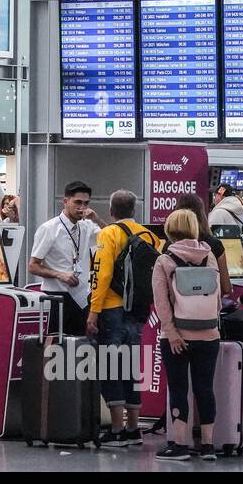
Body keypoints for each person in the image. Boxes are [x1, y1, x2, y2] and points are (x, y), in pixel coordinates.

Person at [87, 189, 161, 448]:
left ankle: (117, 429)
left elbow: (102, 275)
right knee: (130, 367)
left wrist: (94, 310)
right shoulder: (149, 236)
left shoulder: (107, 234)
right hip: (138, 310)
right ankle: (133, 428)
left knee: (111, 366)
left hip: (112, 308)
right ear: (134, 210)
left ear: (111, 211)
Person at [152, 208, 222, 462]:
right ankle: (208, 445)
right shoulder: (209, 256)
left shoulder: (164, 260)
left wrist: (171, 332)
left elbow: (161, 303)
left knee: (179, 388)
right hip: (209, 334)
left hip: (176, 337)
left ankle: (179, 444)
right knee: (205, 388)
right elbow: (217, 298)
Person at [28, 181, 101, 336]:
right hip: (56, 295)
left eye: (86, 203)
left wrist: (97, 219)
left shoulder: (87, 226)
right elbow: (33, 266)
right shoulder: (49, 229)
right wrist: (59, 274)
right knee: (56, 344)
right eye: (78, 202)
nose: (82, 207)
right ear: (66, 201)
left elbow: (110, 237)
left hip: (81, 296)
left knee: (79, 343)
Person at [177, 193, 234, 302]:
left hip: (179, 307)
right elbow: (226, 287)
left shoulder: (171, 246)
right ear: (201, 214)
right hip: (208, 307)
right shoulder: (214, 244)